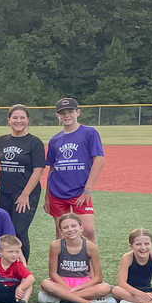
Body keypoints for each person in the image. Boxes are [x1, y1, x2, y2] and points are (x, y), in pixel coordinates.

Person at [45, 97, 106, 243]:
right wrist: (47, 195)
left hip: (80, 191)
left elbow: (99, 160)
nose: (66, 115)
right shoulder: (55, 140)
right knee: (61, 234)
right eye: (62, 113)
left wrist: (88, 190)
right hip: (57, 192)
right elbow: (52, 168)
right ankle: (62, 265)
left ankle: (92, 265)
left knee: (88, 230)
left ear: (78, 112)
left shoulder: (89, 133)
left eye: (70, 111)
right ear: (57, 116)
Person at [0, 105, 45, 259]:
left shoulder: (34, 142)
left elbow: (38, 170)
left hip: (25, 193)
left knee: (19, 230)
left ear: (28, 120)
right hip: (5, 192)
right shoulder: (1, 140)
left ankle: (22, 268)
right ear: (8, 120)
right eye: (15, 117)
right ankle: (6, 266)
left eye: (22, 117)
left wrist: (25, 194)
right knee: (6, 231)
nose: (18, 121)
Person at [38, 213, 117, 303]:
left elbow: (98, 278)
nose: (70, 229)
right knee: (46, 284)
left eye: (74, 226)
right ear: (61, 231)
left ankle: (59, 298)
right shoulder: (56, 245)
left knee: (105, 288)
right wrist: (68, 288)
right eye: (65, 227)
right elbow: (53, 274)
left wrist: (74, 290)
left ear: (81, 228)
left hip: (84, 285)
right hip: (62, 283)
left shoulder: (91, 247)